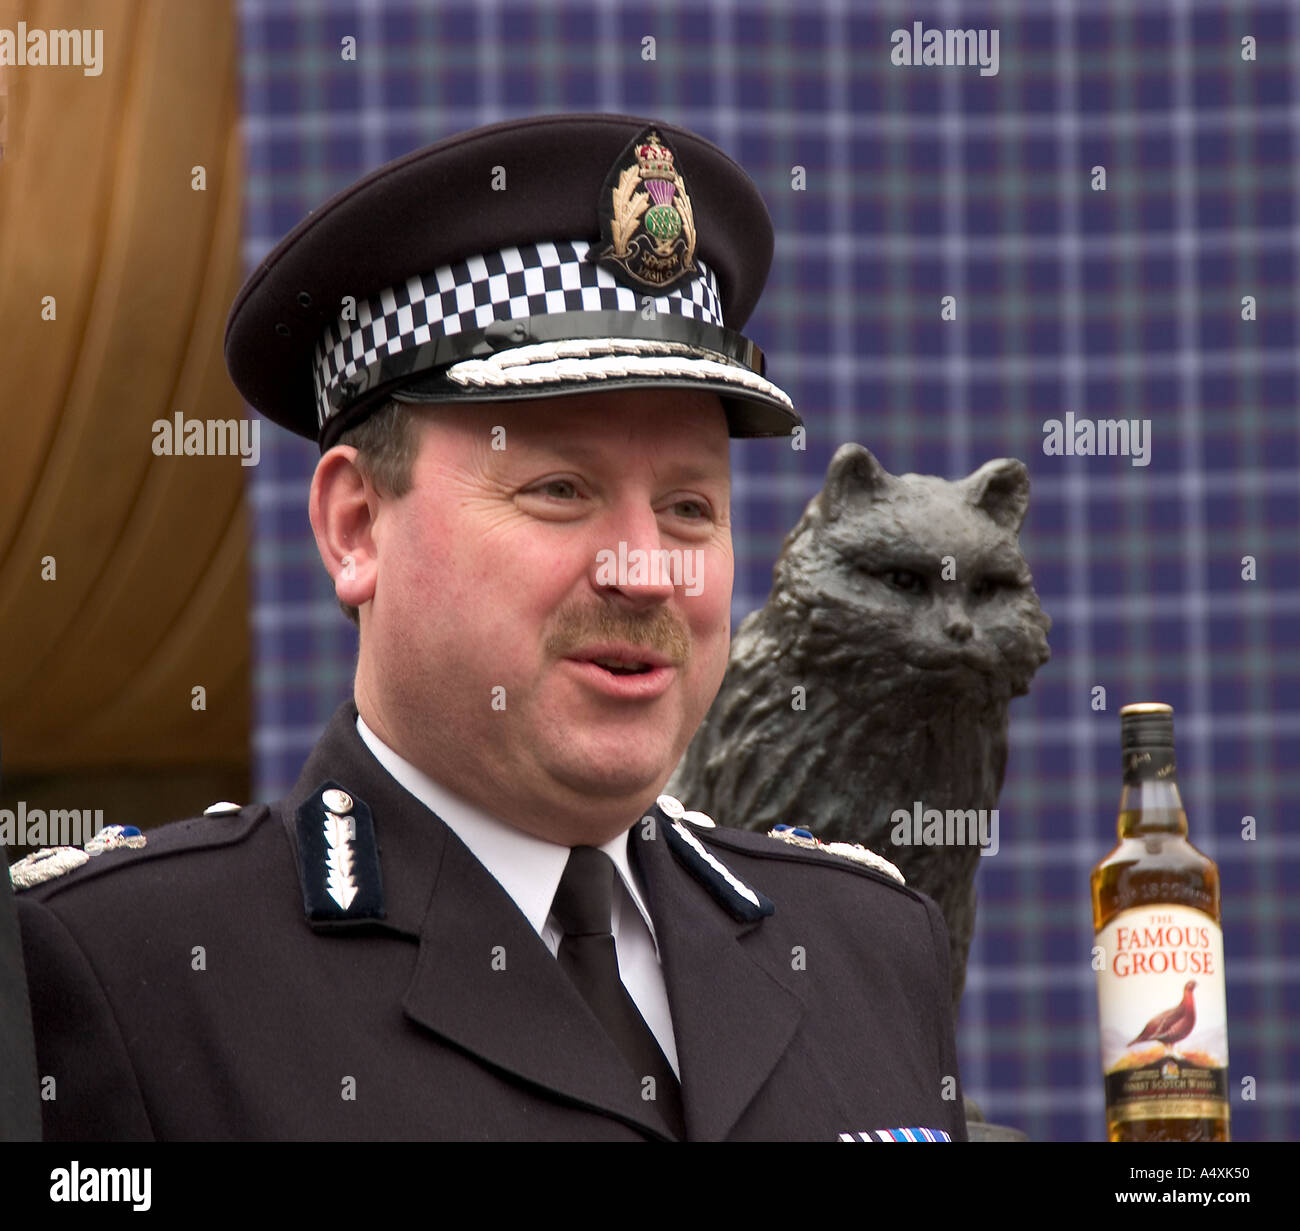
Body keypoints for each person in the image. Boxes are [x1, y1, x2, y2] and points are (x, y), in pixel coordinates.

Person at [14, 114, 967, 1141]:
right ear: (354, 526)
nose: (644, 570)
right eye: (560, 488)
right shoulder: (133, 973)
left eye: (690, 507)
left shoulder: (865, 946)